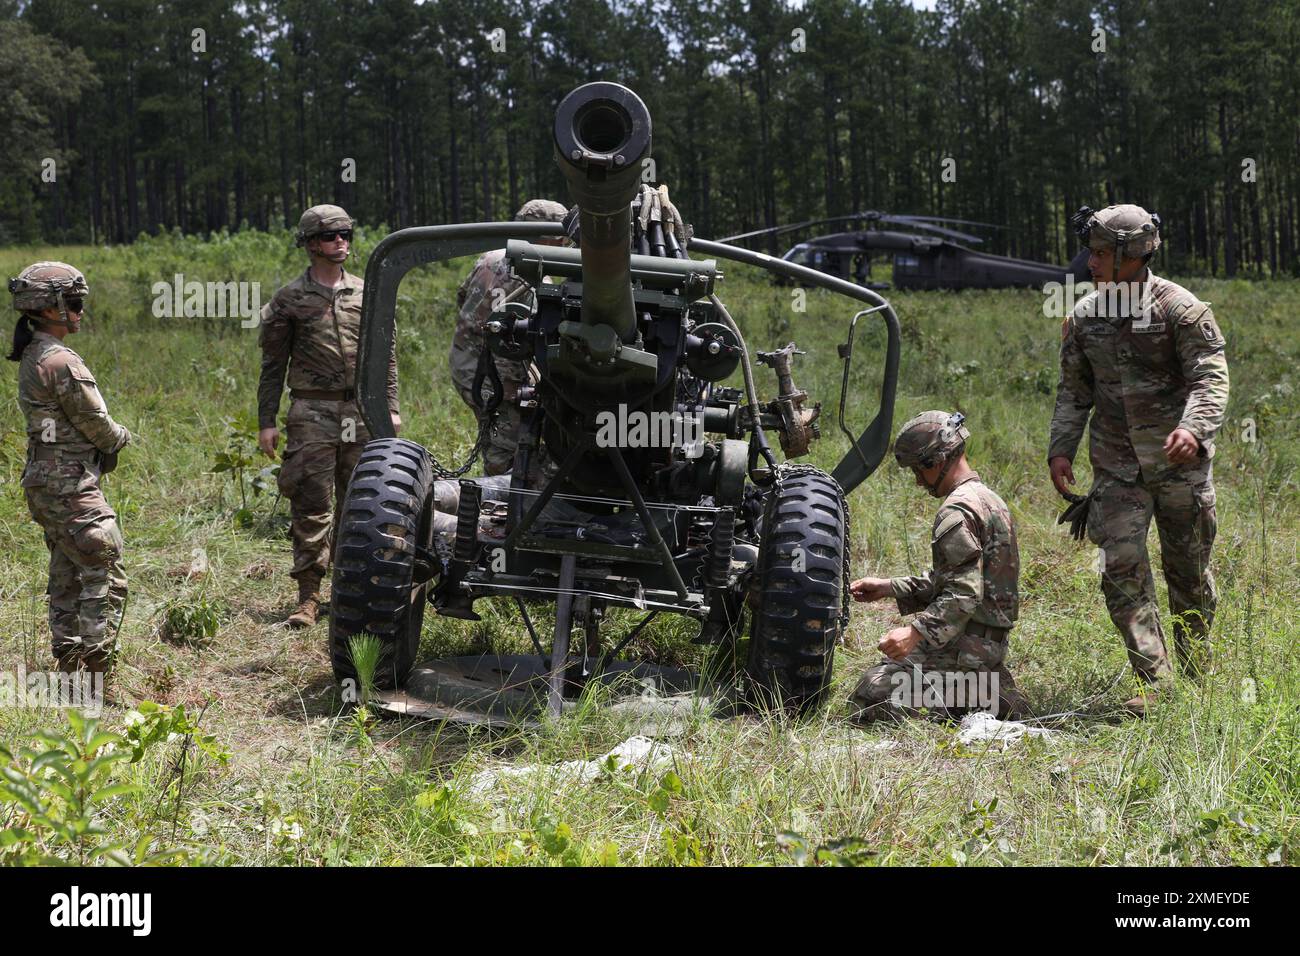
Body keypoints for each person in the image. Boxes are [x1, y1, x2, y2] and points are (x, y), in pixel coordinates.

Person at [1049, 204, 1229, 716]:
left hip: (1180, 470)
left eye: (1103, 253)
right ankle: (1156, 682)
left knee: (1188, 575)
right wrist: (1060, 449)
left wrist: (1193, 429)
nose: (1092, 263)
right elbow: (1073, 392)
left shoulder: (1182, 310)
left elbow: (1210, 379)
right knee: (1120, 568)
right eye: (1092, 252)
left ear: (1134, 254)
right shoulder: (1085, 317)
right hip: (1116, 469)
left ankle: (1198, 675)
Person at [257, 204, 400, 628]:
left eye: (346, 234)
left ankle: (352, 591)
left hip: (362, 408)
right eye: (331, 235)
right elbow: (272, 365)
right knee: (310, 502)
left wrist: (390, 407)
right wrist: (267, 421)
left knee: (362, 503)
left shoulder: (367, 292)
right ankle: (307, 598)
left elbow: (385, 355)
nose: (342, 242)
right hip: (311, 410)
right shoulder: (288, 300)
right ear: (310, 244)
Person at [849, 411, 1026, 722]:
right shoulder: (989, 499)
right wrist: (889, 587)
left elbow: (963, 593)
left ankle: (985, 696)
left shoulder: (955, 511)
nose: (918, 481)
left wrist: (914, 634)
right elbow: (956, 579)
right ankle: (986, 687)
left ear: (937, 461)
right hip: (983, 645)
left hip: (964, 651)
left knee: (871, 694)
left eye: (919, 470)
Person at [9, 261, 131, 675]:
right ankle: (97, 674)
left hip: (46, 479)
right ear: (49, 308)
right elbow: (95, 422)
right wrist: (119, 439)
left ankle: (69, 665)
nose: (80, 311)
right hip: (69, 480)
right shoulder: (59, 361)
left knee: (67, 571)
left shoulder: (35, 353)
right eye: (74, 303)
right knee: (104, 568)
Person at [448, 198, 569, 476]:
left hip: (475, 367)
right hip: (492, 377)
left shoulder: (495, 260)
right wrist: (514, 391)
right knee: (506, 449)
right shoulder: (522, 272)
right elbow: (509, 339)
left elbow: (463, 297)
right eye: (561, 241)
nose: (565, 248)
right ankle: (502, 504)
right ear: (544, 238)